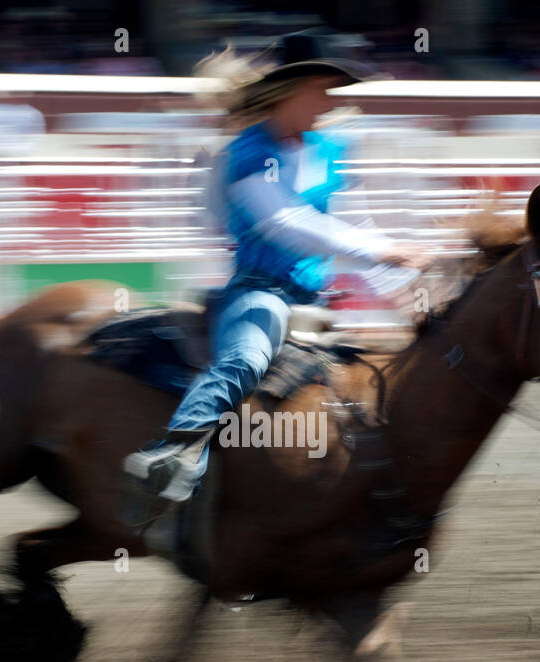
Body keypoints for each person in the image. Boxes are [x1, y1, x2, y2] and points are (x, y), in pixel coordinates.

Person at [121, 29, 430, 526]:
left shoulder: (331, 150)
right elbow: (285, 222)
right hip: (260, 293)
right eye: (322, 89)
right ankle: (170, 457)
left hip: (317, 300)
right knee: (245, 358)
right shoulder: (248, 152)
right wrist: (385, 251)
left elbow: (354, 222)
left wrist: (405, 290)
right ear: (293, 90)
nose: (329, 102)